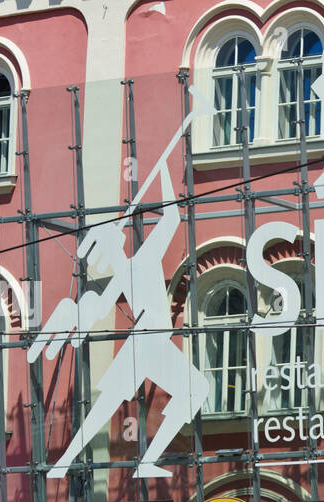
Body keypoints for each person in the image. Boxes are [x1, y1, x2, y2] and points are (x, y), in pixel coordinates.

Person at [27, 161, 209, 479]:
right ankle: (135, 461)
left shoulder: (124, 273)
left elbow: (169, 218)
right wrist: (164, 171)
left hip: (146, 340)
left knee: (109, 405)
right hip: (148, 340)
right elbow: (171, 217)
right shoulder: (143, 260)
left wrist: (162, 168)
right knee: (193, 389)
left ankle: (67, 462)